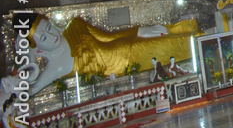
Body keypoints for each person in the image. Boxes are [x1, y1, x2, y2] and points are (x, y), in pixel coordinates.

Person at [2, 14, 198, 96]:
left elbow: (108, 37)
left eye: (48, 28)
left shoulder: (75, 25)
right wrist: (24, 57)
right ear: (38, 49)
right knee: (175, 45)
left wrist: (138, 30)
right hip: (127, 66)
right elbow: (32, 89)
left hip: (126, 44)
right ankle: (202, 40)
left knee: (166, 34)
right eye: (43, 38)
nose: (52, 35)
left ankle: (205, 35)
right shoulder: (57, 67)